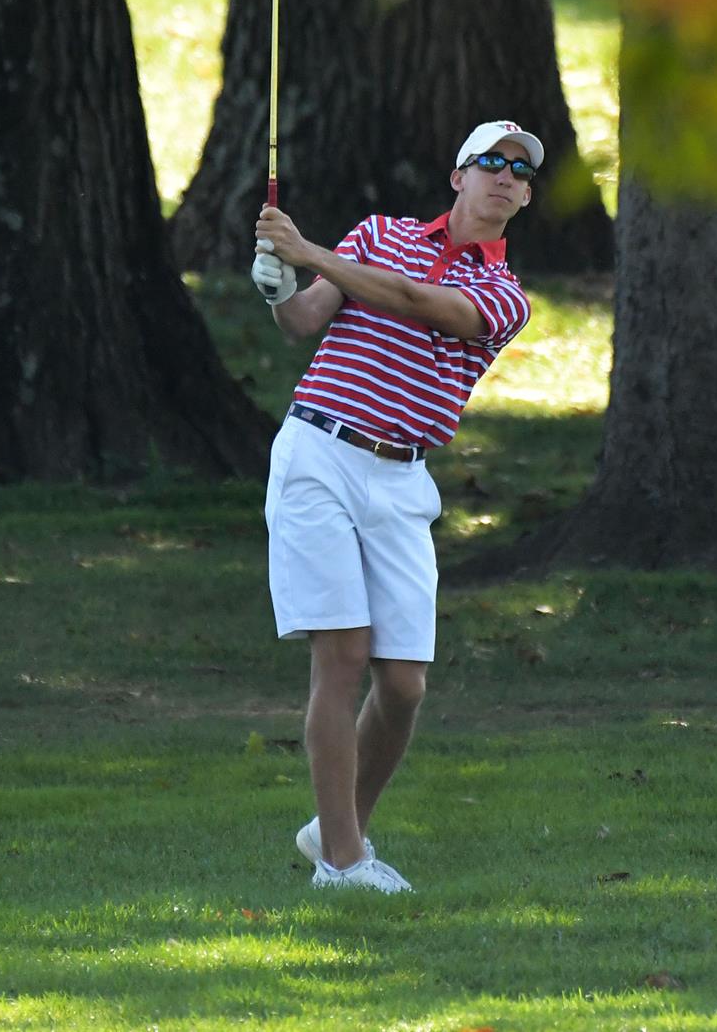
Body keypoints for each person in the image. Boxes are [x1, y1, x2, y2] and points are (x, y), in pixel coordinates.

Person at [250, 119, 541, 893]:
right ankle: (344, 865)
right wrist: (281, 282)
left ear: (525, 196)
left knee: (405, 683)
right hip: (319, 450)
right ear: (458, 176)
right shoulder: (379, 234)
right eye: (490, 162)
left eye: (519, 170)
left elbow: (425, 305)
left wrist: (312, 252)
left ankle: (337, 827)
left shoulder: (504, 294)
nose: (504, 176)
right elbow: (305, 322)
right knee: (342, 657)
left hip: (402, 479)